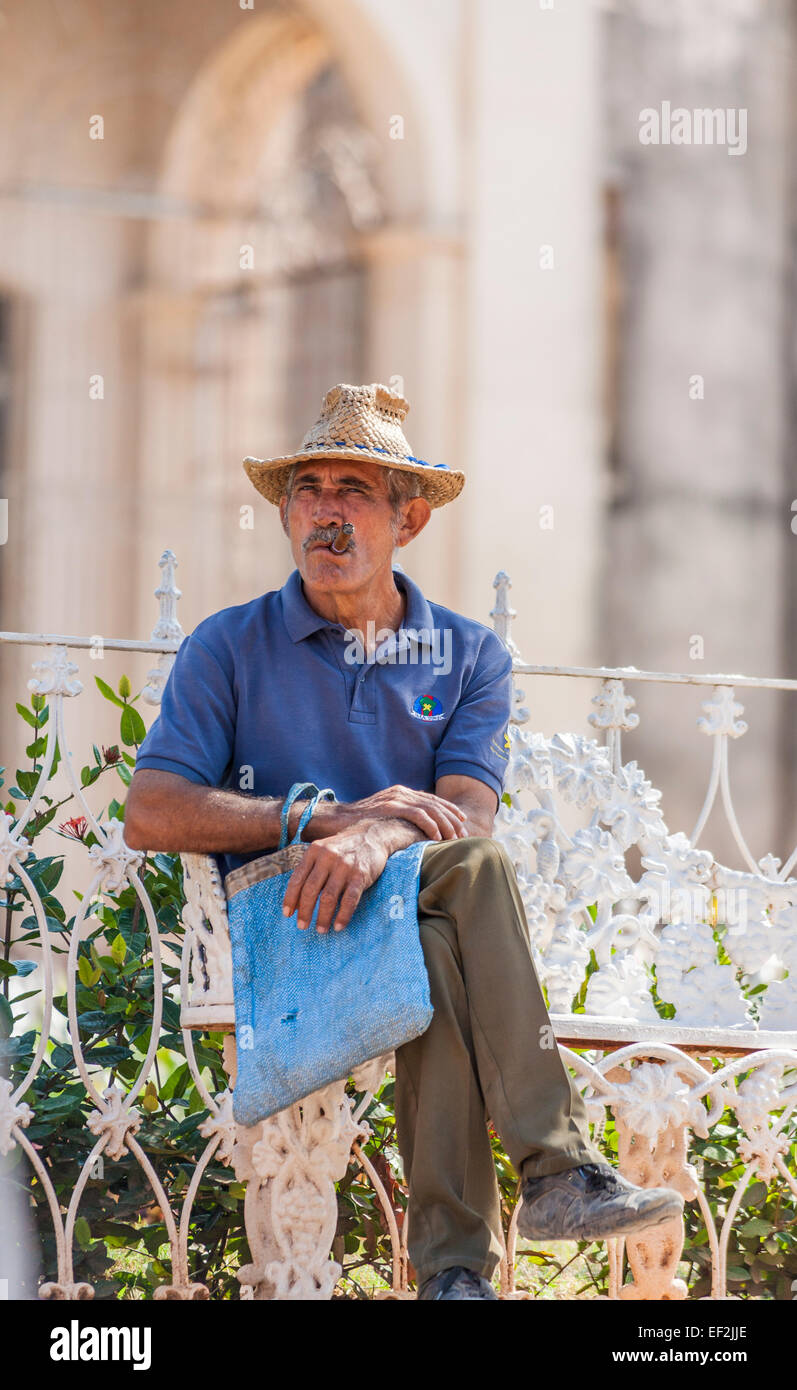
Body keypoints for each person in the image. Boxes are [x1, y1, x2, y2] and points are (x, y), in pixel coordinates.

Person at [125, 382, 684, 1301]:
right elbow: (150, 811)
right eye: (308, 489)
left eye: (354, 490)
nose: (325, 512)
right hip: (285, 917)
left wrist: (377, 830)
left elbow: (467, 815)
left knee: (435, 939)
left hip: (416, 906)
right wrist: (316, 822)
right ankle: (553, 1176)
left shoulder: (467, 655)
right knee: (456, 892)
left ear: (409, 519)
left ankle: (454, 1275)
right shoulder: (229, 644)